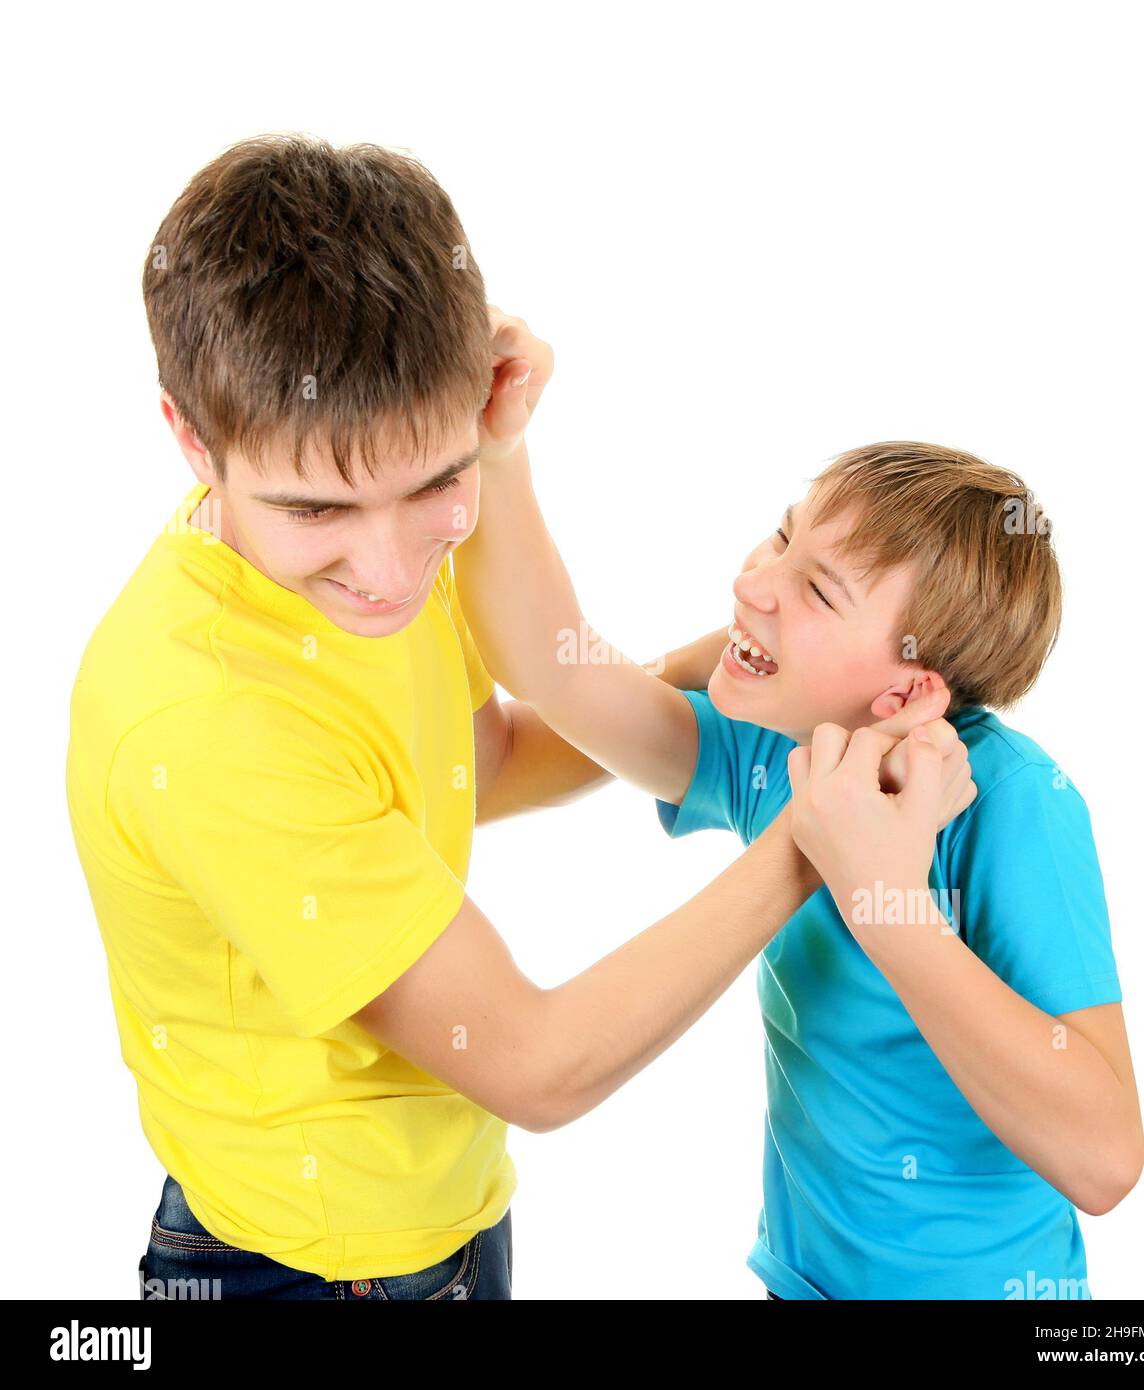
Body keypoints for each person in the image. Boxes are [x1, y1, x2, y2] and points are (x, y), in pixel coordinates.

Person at [65, 134, 971, 1301]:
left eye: (438, 483)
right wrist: (816, 840)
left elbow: (477, 759)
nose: (390, 574)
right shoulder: (207, 722)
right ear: (192, 440)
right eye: (316, 510)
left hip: (446, 1221)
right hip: (304, 1269)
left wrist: (743, 667)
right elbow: (537, 1067)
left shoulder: (355, 531)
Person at [455, 314, 1144, 1299]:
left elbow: (1106, 1157)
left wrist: (883, 899)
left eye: (816, 591)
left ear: (908, 694)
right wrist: (499, 449)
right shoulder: (771, 743)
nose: (750, 582)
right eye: (778, 536)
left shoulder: (1017, 806)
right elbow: (558, 670)